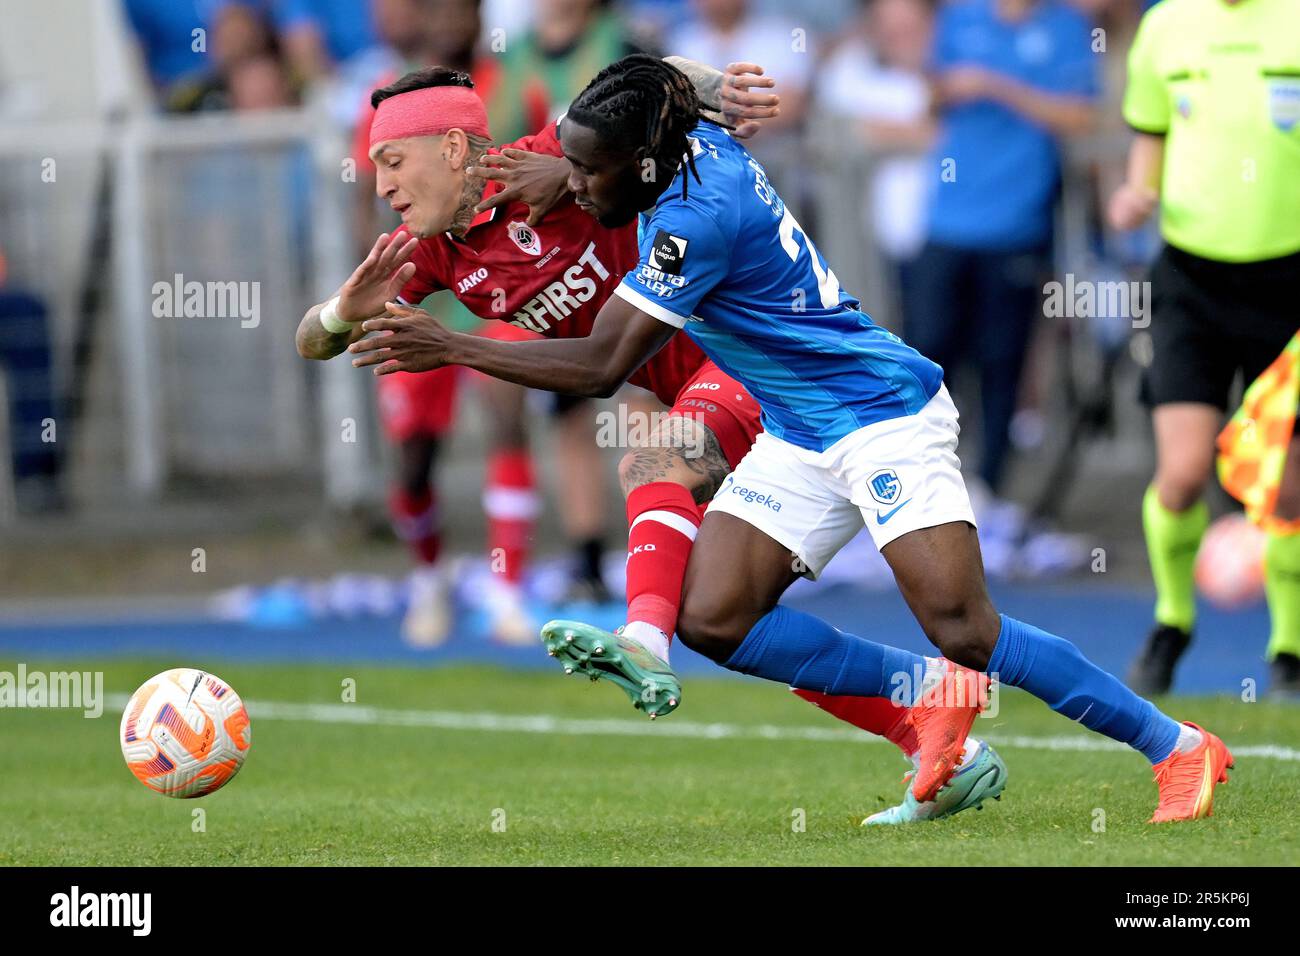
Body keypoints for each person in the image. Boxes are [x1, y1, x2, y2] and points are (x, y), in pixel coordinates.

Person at [352, 55, 1233, 823]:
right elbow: (663, 95)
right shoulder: (684, 155)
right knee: (716, 618)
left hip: (880, 414)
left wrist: (450, 346)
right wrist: (654, 112)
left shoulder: (689, 223)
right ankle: (921, 698)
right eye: (569, 169)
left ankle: (1177, 743)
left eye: (586, 173)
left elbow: (597, 368)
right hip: (798, 427)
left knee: (965, 626)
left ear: (640, 164)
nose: (571, 187)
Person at [299, 62, 1008, 824]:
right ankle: (931, 724)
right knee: (721, 614)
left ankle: (642, 640)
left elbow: (647, 78)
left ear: (451, 147)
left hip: (747, 360)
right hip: (715, 393)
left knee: (654, 462)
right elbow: (311, 339)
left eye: (391, 162)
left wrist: (717, 92)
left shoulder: (557, 156)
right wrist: (344, 310)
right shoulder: (428, 252)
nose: (382, 187)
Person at [1108, 0, 1300, 697]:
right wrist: (1135, 196)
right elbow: (1147, 148)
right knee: (1184, 472)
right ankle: (1172, 623)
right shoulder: (1166, 26)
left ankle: (1288, 648)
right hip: (1190, 280)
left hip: (1289, 280)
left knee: (1280, 482)